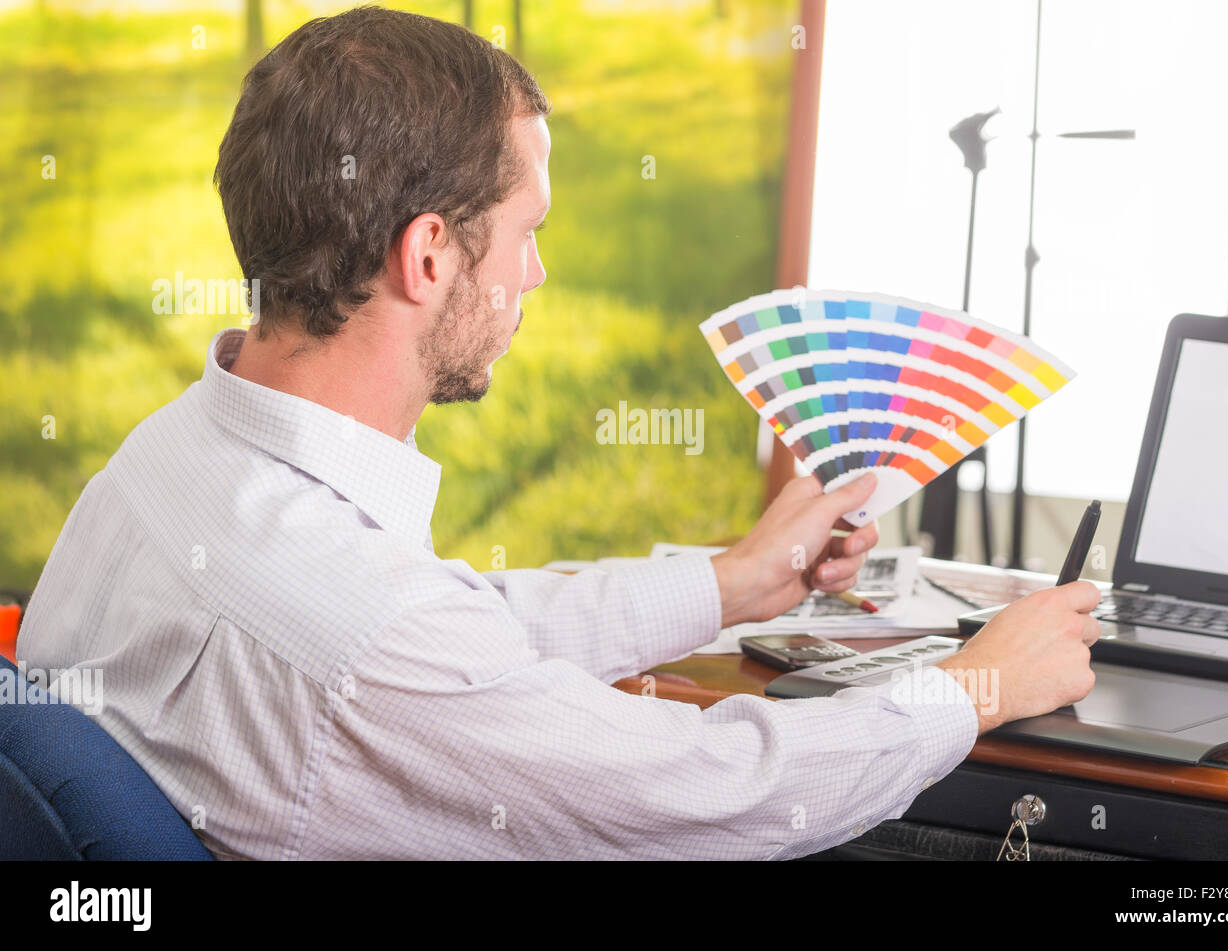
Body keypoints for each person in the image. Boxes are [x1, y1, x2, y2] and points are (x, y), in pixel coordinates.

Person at [17, 7, 1100, 859]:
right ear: (429, 255)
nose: (535, 272)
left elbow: (458, 640)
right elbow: (704, 794)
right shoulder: (367, 639)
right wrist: (977, 686)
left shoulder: (171, 457)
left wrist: (730, 585)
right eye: (526, 231)